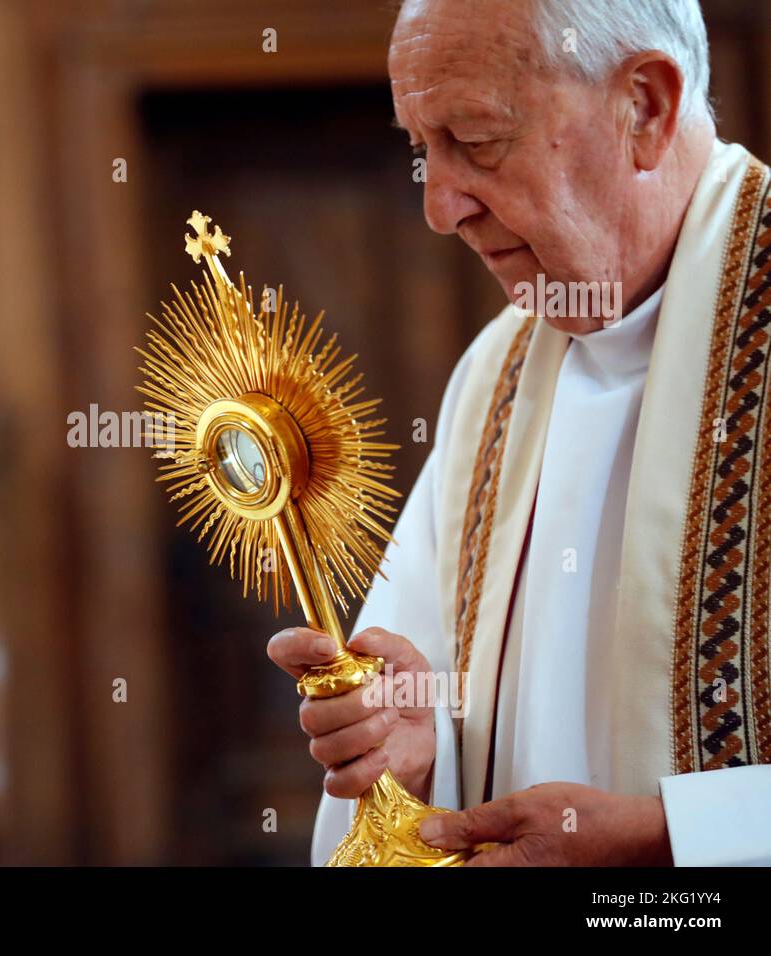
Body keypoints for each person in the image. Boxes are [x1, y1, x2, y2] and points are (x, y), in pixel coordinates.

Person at [268, 0, 771, 867]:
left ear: (644, 107)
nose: (440, 206)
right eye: (423, 150)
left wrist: (668, 845)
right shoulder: (495, 374)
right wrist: (416, 754)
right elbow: (439, 725)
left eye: (477, 139)